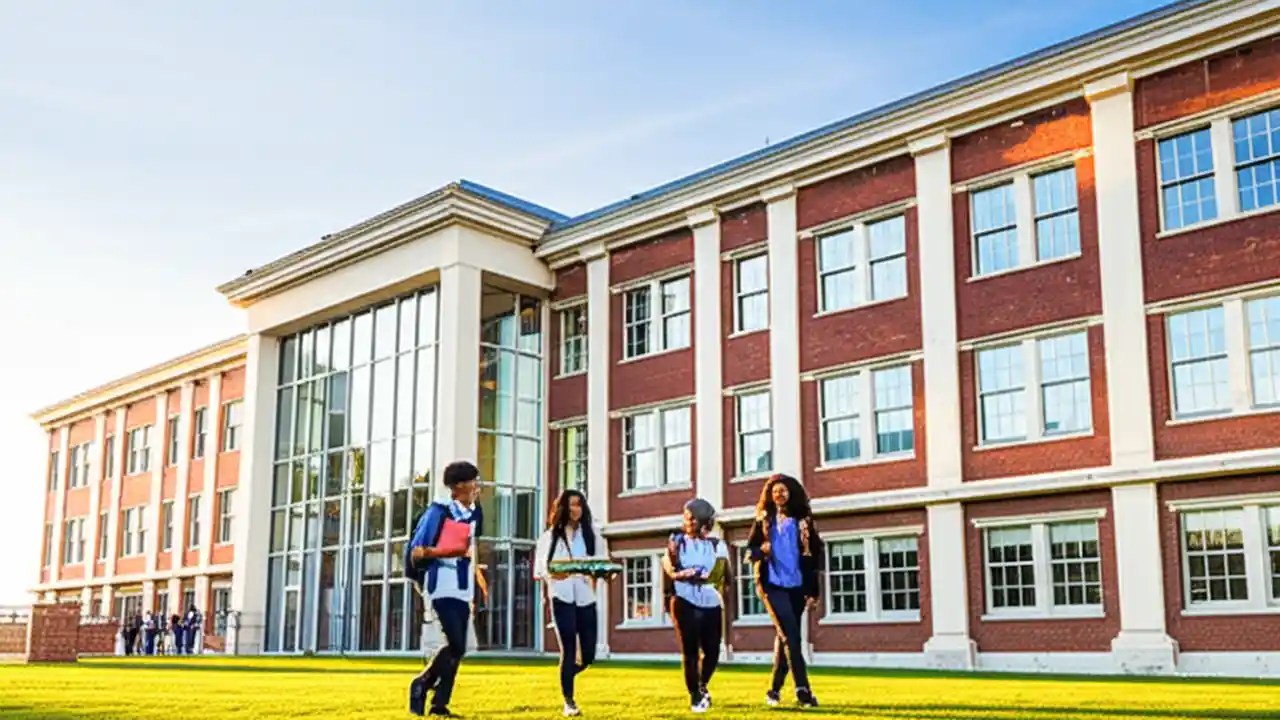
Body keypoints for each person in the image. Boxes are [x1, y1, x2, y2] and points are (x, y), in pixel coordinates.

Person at [405, 461, 487, 718]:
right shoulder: (438, 511)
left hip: (462, 588)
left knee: (457, 648)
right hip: (441, 584)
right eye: (475, 480)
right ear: (459, 485)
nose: (478, 486)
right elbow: (416, 552)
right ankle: (422, 683)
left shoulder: (474, 514)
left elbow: (472, 551)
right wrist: (440, 551)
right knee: (457, 644)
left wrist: (478, 583)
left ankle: (439, 705)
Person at [747, 473, 822, 708]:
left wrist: (814, 592)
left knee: (785, 637)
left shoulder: (803, 521)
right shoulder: (763, 520)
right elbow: (750, 550)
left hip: (797, 587)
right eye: (774, 491)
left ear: (791, 493)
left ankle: (774, 690)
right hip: (771, 584)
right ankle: (803, 690)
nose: (779, 494)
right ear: (770, 495)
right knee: (791, 635)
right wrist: (763, 549)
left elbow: (815, 555)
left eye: (783, 490)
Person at [533, 489, 607, 718]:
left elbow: (601, 563)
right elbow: (540, 570)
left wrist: (603, 573)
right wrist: (554, 575)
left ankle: (566, 676)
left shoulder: (592, 535)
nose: (576, 509)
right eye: (572, 504)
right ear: (563, 507)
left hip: (586, 596)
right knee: (568, 649)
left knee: (588, 655)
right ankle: (569, 701)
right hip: (561, 596)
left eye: (579, 505)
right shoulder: (549, 537)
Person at [662, 498, 728, 714]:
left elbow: (726, 577)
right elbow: (669, 571)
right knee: (690, 651)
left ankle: (702, 684)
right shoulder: (676, 542)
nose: (688, 522)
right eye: (686, 517)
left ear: (705, 521)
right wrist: (683, 574)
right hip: (683, 599)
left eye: (693, 518)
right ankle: (695, 696)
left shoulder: (717, 545)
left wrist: (715, 579)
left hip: (711, 601)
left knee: (712, 652)